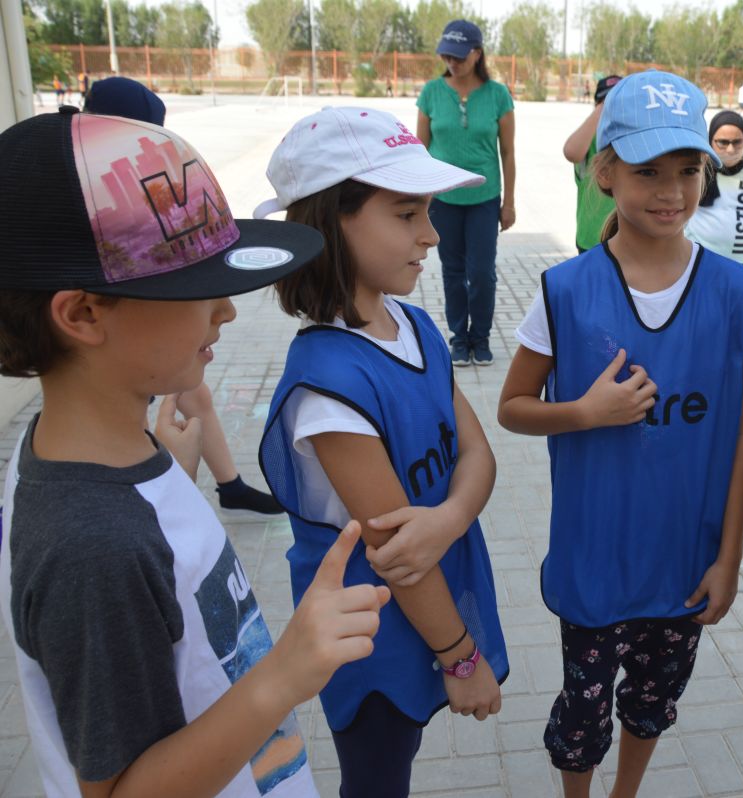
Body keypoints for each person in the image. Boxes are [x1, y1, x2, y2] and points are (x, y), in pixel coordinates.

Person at [0, 107, 389, 798]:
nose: (226, 311)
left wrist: (171, 475)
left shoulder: (93, 455)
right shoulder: (93, 547)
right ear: (84, 314)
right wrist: (286, 673)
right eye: (192, 287)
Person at [499, 70, 743, 798]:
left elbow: (739, 435)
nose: (672, 190)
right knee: (583, 713)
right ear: (605, 172)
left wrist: (729, 556)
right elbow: (513, 406)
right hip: (597, 559)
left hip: (685, 560)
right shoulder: (567, 289)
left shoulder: (736, 292)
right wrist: (583, 412)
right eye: (648, 171)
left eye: (688, 169)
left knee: (652, 703)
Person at [254, 106, 508, 798]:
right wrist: (460, 661)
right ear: (332, 219)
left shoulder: (416, 325)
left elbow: (479, 453)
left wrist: (447, 521)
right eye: (406, 215)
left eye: (427, 212)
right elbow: (398, 556)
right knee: (376, 776)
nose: (430, 235)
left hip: (435, 594)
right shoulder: (329, 390)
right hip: (373, 631)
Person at [83, 74, 284, 515]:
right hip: (135, 335)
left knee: (196, 394)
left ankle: (230, 485)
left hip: (156, 331)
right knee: (146, 406)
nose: (228, 313)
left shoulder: (126, 172)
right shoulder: (89, 186)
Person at [417, 19, 516, 367]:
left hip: (484, 199)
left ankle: (481, 337)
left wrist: (510, 202)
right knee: (452, 272)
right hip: (444, 201)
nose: (452, 62)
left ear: (477, 53)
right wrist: (419, 200)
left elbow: (507, 152)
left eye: (459, 56)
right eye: (447, 55)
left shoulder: (497, 95)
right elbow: (420, 151)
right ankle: (459, 338)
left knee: (483, 273)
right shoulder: (431, 92)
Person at [685, 109, 743, 418]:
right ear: (710, 141)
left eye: (736, 143)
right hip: (702, 268)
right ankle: (699, 388)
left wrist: (739, 244)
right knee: (700, 329)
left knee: (742, 333)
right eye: (721, 142)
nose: (728, 149)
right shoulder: (697, 170)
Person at [563, 74, 621, 254]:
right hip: (591, 239)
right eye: (605, 103)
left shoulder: (631, 141)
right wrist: (603, 108)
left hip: (626, 242)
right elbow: (571, 151)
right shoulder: (589, 140)